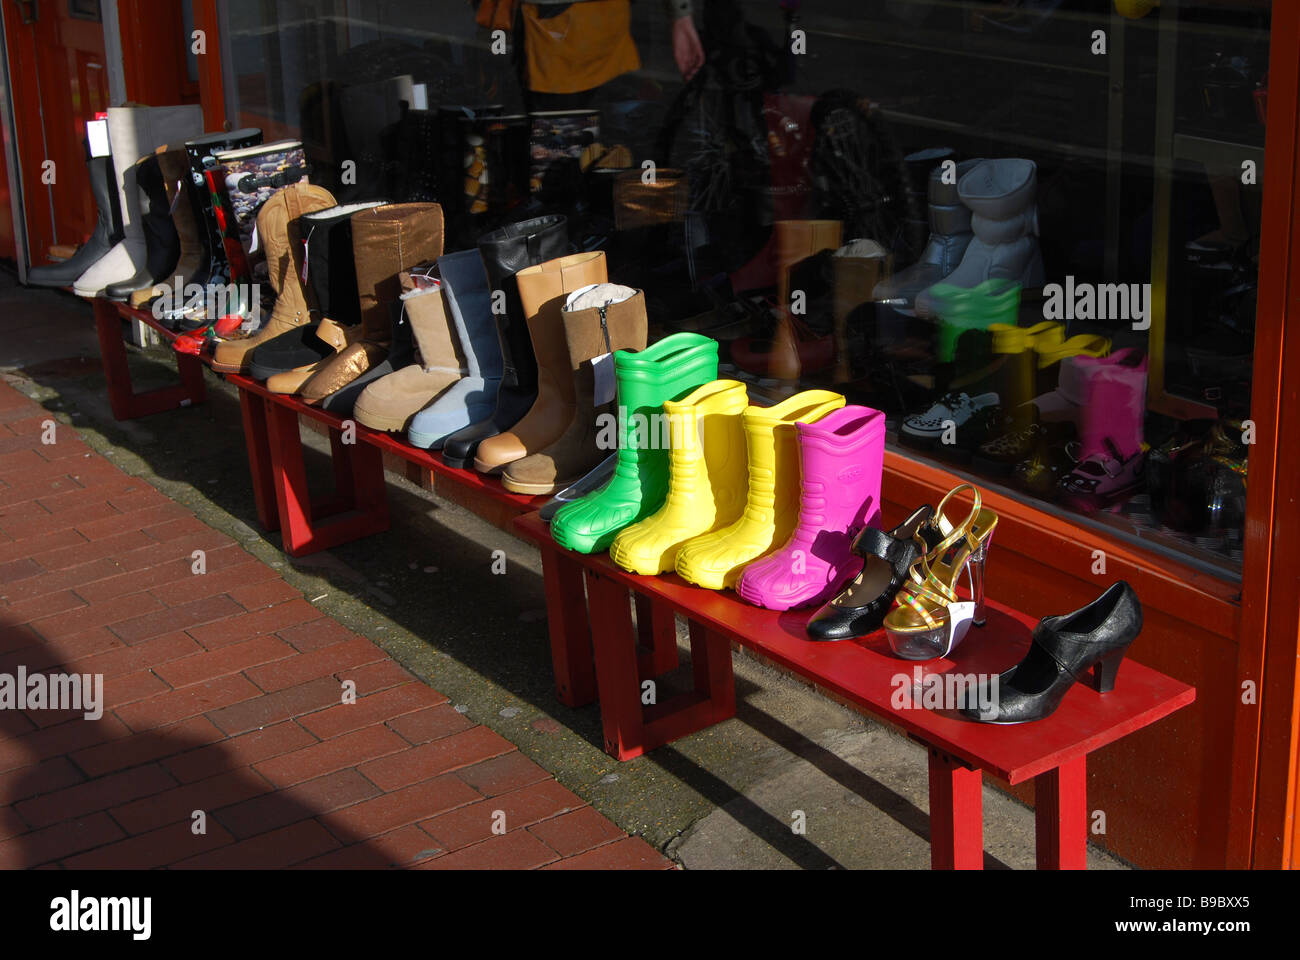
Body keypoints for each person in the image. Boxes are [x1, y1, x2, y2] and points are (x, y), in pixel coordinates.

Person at [520, 0, 705, 111]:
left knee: (561, 147)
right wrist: (680, 16)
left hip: (558, 32)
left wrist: (680, 17)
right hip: (605, 27)